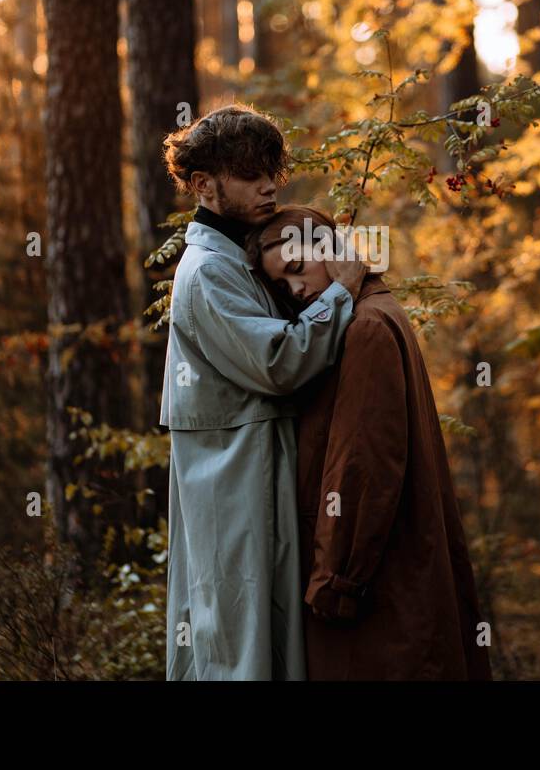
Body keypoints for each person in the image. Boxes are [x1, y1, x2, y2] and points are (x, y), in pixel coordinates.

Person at [160, 108, 369, 681]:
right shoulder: (207, 271)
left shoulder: (240, 255)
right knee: (234, 641)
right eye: (250, 174)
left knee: (263, 638)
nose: (269, 185)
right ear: (204, 185)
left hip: (255, 476)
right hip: (230, 486)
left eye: (269, 170)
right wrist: (341, 295)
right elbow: (278, 361)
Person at [250, 205, 493, 680]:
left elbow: (360, 466)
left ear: (332, 250)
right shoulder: (374, 313)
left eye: (297, 269)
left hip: (375, 585)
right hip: (389, 570)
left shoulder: (365, 328)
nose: (296, 290)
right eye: (282, 285)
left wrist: (335, 580)